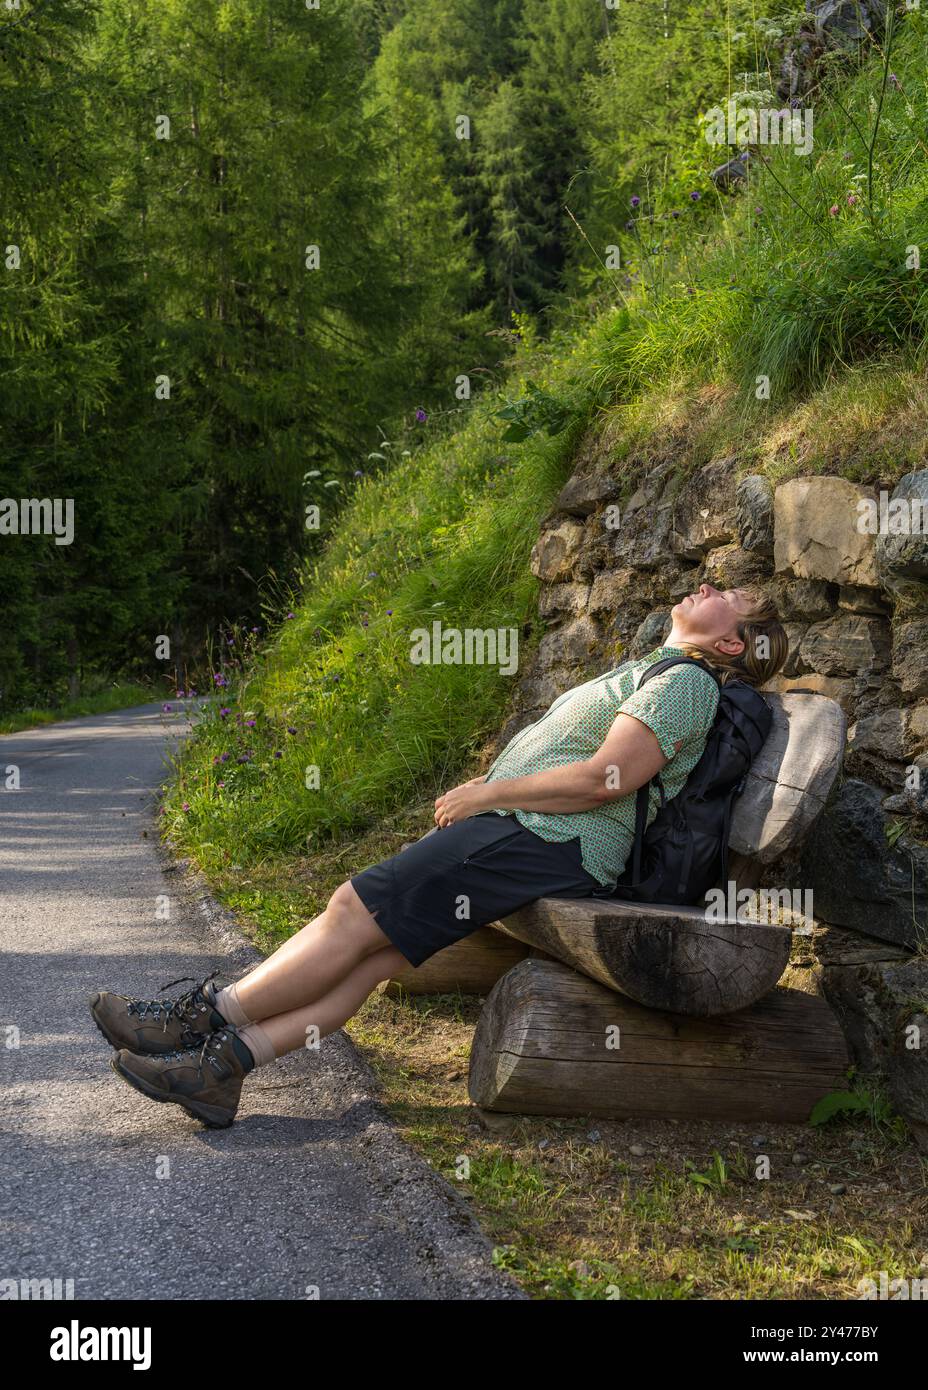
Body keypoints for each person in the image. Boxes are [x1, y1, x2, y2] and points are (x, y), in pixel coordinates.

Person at [90, 582, 788, 1128]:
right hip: (537, 840)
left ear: (730, 644)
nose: (707, 586)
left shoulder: (686, 684)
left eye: (728, 596)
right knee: (376, 953)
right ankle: (222, 1071)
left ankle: (197, 1023)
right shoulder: (660, 671)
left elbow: (603, 779)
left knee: (351, 910)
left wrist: (490, 794)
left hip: (546, 839)